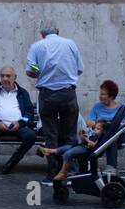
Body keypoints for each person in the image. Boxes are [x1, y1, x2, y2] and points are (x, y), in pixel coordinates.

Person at [37, 79, 125, 182]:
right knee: (82, 142)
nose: (100, 96)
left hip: (118, 136)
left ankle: (111, 167)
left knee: (111, 135)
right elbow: (89, 122)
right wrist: (100, 125)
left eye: (103, 94)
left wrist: (109, 126)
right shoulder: (97, 107)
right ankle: (52, 151)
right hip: (98, 138)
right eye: (100, 93)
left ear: (111, 96)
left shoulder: (122, 109)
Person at [25, 23, 84, 181]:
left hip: (47, 96)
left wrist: (42, 69)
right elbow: (79, 69)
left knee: (51, 136)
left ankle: (52, 173)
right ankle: (70, 171)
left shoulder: (37, 47)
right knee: (70, 135)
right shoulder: (70, 44)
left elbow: (32, 70)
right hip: (68, 94)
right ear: (58, 31)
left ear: (42, 34)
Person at [0, 66, 38, 175]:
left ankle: (11, 163)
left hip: (17, 126)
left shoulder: (22, 93)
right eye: (2, 76)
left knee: (30, 136)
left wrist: (20, 123)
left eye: (8, 76)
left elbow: (29, 114)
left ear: (14, 77)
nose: (5, 78)